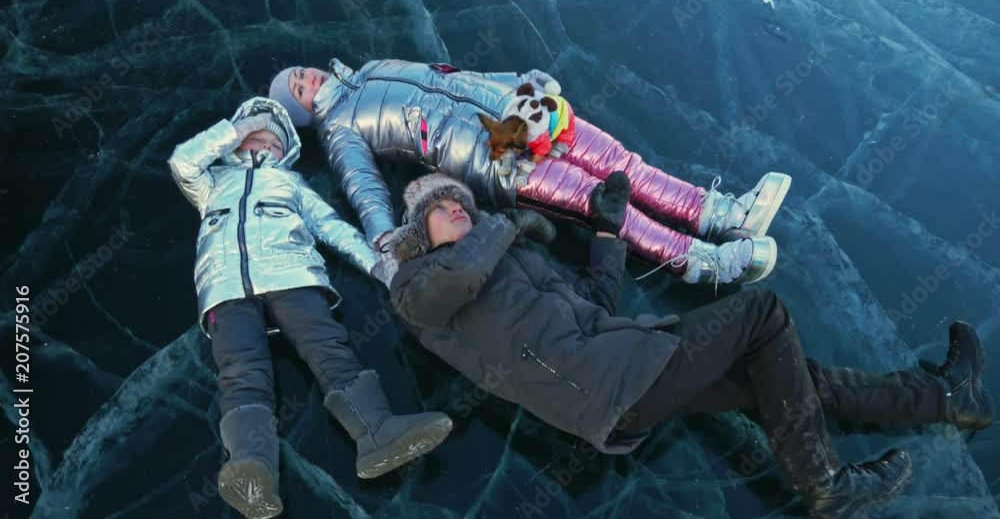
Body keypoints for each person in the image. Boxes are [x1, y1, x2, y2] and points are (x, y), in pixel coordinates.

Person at [385, 171, 995, 519]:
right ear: (418, 234)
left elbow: (595, 305)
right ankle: (825, 484)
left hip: (628, 364)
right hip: (607, 389)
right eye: (438, 209)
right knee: (763, 311)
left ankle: (945, 397)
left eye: (456, 200)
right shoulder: (416, 291)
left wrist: (606, 230)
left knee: (789, 378)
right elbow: (461, 276)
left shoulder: (513, 259)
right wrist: (499, 223)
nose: (453, 209)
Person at [167, 98, 453, 519]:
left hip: (293, 275)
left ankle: (378, 431)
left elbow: (332, 228)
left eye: (273, 139)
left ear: (286, 153)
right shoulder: (212, 183)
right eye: (251, 135)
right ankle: (252, 467)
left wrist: (379, 265)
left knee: (329, 349)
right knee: (241, 373)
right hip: (226, 286)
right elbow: (182, 162)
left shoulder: (292, 186)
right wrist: (237, 126)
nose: (261, 143)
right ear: (232, 142)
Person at [267, 60, 792, 287]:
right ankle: (701, 264)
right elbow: (364, 188)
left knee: (623, 164)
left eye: (301, 74)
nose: (306, 79)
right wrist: (385, 242)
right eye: (299, 88)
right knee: (600, 199)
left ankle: (718, 212)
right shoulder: (340, 131)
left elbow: (452, 75)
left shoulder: (373, 68)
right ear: (304, 112)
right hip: (492, 155)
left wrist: (515, 80)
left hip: (518, 109)